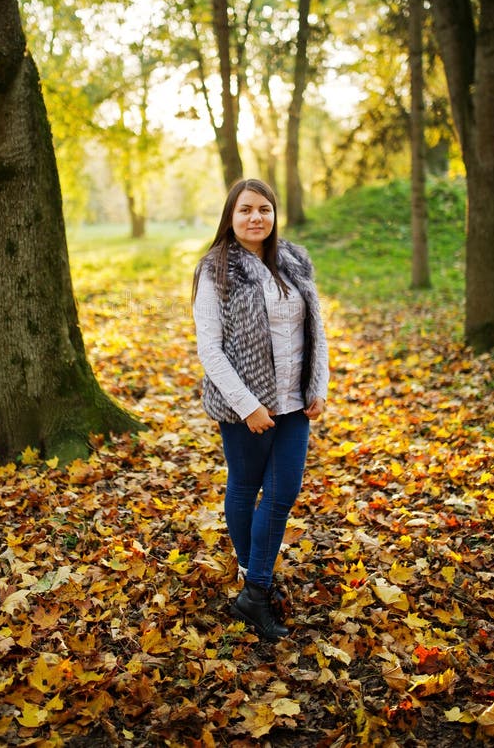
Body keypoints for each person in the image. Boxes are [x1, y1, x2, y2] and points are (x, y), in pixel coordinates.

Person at [192, 178, 329, 642]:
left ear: (274, 215)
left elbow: (318, 329)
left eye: (264, 209)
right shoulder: (215, 270)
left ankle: (254, 591)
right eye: (246, 209)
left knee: (284, 491)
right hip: (243, 408)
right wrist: (248, 406)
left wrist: (319, 385)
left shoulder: (294, 260)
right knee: (246, 486)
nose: (256, 218)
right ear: (231, 216)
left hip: (294, 404)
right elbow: (209, 349)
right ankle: (256, 580)